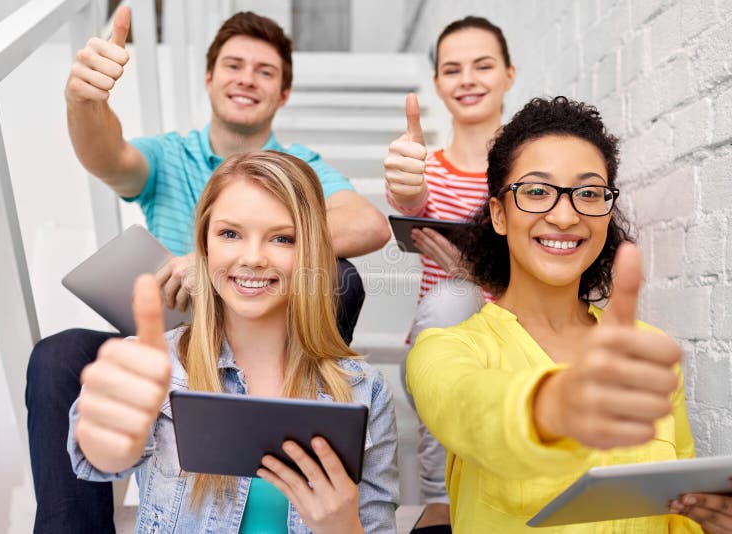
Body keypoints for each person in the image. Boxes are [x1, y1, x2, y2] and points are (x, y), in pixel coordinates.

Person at [26, 8, 390, 533]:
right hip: (169, 335)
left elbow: (369, 224)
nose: (246, 78)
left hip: (279, 329)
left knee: (340, 277)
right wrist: (85, 102)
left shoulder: (301, 165)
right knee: (58, 355)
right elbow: (106, 153)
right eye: (233, 65)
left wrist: (259, 246)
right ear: (209, 77)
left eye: (264, 71)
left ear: (283, 93)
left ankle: (309, 391)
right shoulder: (170, 156)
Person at [405, 95, 714, 532]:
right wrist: (554, 406)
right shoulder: (448, 347)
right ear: (498, 213)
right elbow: (468, 407)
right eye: (536, 191)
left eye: (589, 193)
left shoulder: (647, 351)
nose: (566, 215)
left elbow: (680, 513)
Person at [68, 151, 399, 532]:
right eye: (230, 234)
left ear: (312, 250)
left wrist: (344, 528)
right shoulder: (156, 363)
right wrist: (108, 443)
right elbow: (103, 456)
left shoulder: (365, 390)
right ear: (204, 247)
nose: (253, 257)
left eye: (282, 238)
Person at [382, 16, 514, 532]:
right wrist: (410, 185)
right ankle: (441, 499)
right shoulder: (424, 168)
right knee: (454, 301)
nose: (468, 79)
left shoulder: (531, 173)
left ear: (508, 73)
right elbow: (411, 197)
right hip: (441, 351)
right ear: (436, 82)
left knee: (467, 292)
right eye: (452, 69)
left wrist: (478, 270)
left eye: (483, 65)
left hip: (514, 348)